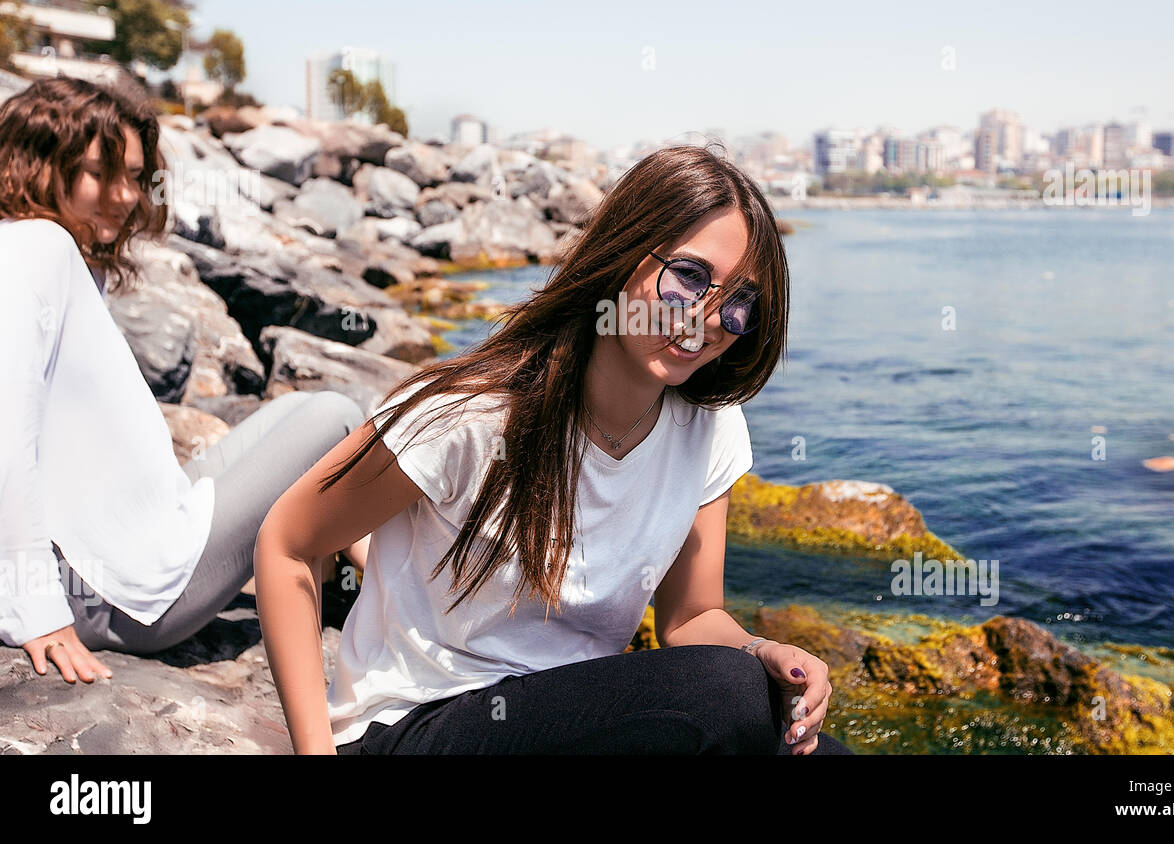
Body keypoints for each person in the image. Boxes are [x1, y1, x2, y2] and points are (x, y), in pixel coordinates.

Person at [257, 143, 855, 755]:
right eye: (690, 277)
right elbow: (288, 544)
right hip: (418, 726)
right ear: (623, 253)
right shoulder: (471, 414)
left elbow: (689, 619)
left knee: (812, 747)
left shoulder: (711, 428)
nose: (706, 317)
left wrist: (765, 652)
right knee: (727, 691)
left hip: (572, 721)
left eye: (738, 303)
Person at [0, 75, 365, 684]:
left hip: (127, 542)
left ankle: (352, 594)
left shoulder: (48, 252)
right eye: (100, 172)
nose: (124, 196)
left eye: (136, 177)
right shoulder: (34, 247)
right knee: (336, 419)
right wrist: (33, 608)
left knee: (304, 415)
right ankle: (401, 610)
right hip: (113, 597)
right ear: (34, 162)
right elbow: (4, 430)